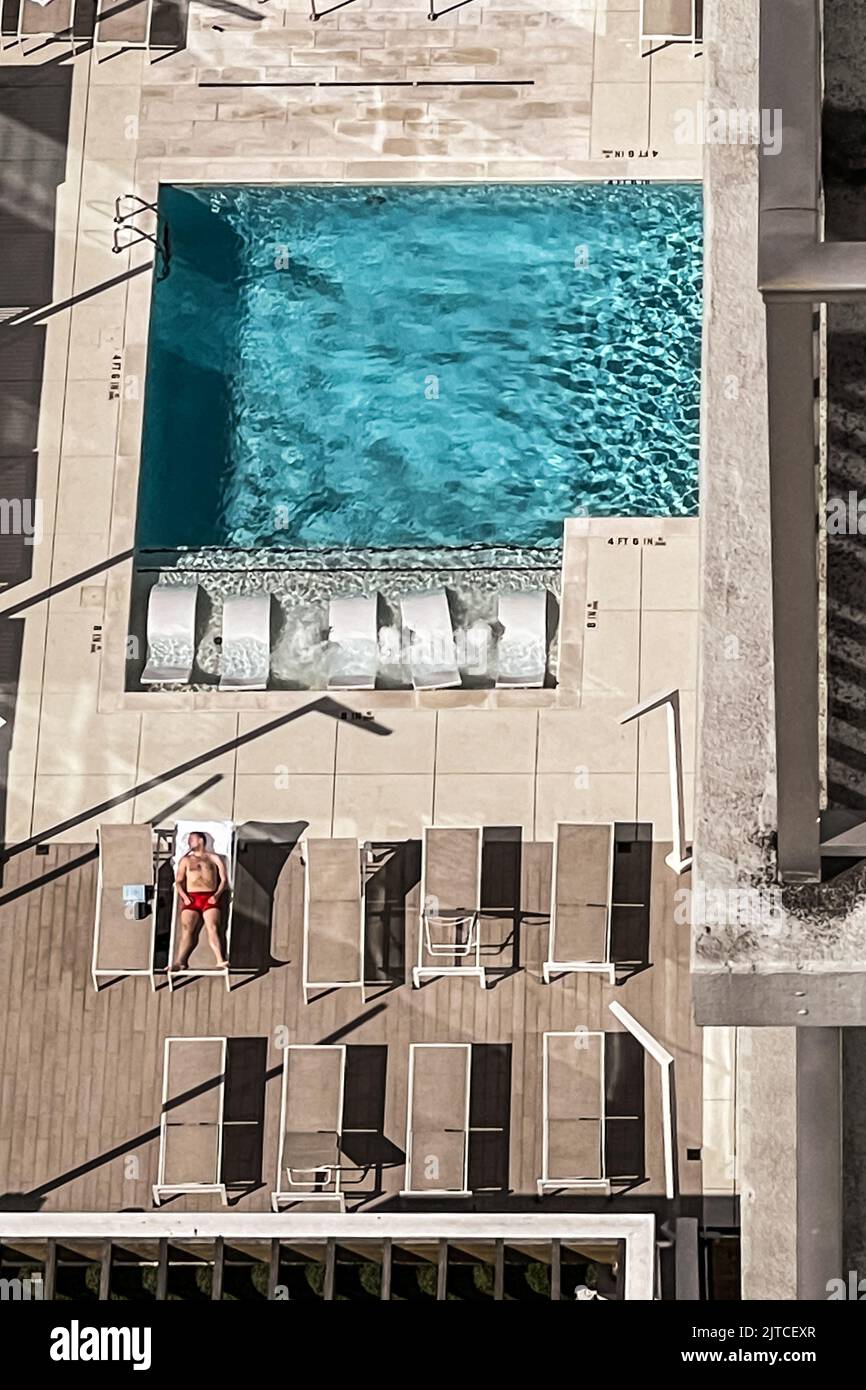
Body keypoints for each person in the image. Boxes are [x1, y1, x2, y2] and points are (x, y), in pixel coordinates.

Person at [170, 830, 229, 971]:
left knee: (213, 928)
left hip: (210, 897)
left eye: (192, 839)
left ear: (201, 840)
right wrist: (184, 897)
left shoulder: (214, 858)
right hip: (191, 897)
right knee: (187, 929)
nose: (189, 842)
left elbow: (224, 879)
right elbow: (178, 881)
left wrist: (217, 895)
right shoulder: (185, 860)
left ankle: (220, 960)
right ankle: (180, 961)